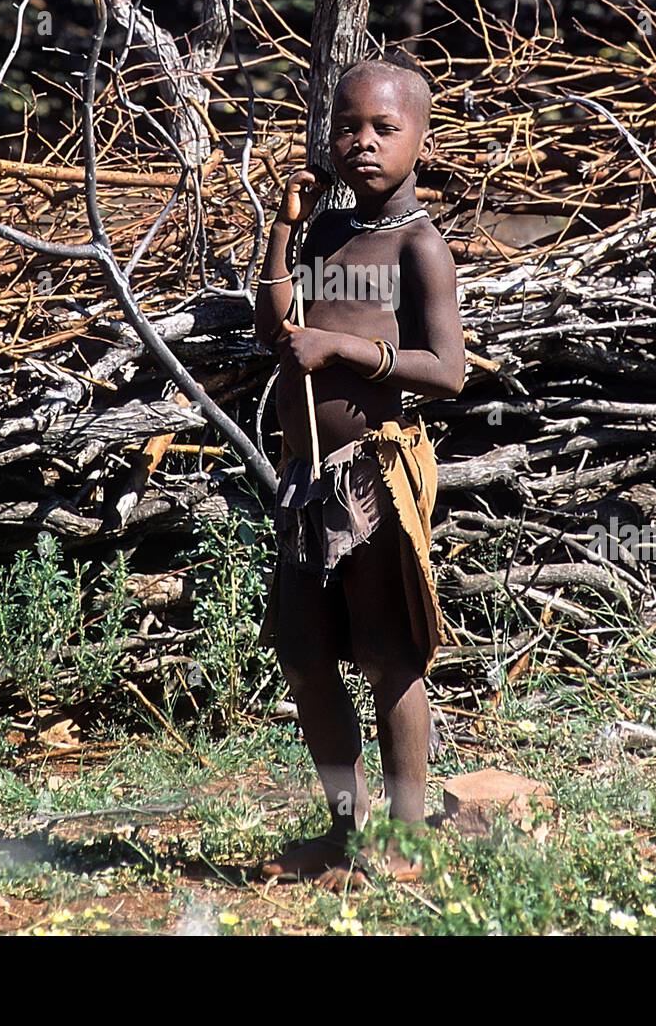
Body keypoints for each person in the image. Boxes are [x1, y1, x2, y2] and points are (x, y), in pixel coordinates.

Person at [252, 53, 465, 888]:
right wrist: (281, 224)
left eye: (384, 128)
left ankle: (407, 845)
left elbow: (447, 370)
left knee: (386, 653)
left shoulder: (420, 248)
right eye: (348, 126)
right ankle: (347, 832)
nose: (363, 143)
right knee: (305, 656)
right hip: (307, 476)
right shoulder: (326, 233)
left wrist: (344, 348)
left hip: (373, 473)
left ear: (420, 137)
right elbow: (278, 324)